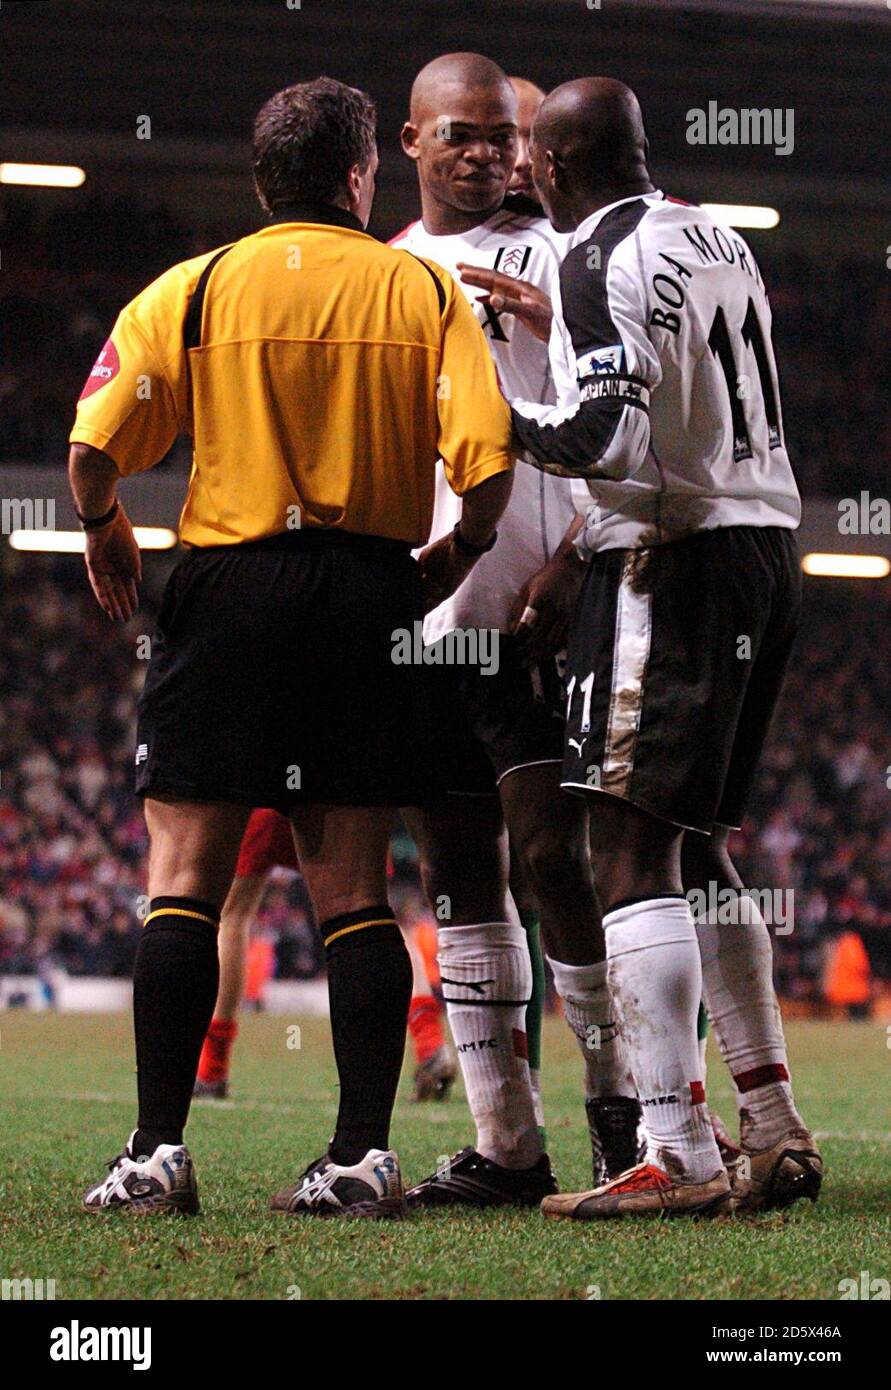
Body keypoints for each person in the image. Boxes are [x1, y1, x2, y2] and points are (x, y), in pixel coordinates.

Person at [69, 76, 513, 1219]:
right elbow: (490, 466)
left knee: (184, 883)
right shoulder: (419, 288)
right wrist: (454, 558)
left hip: (228, 589)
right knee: (355, 889)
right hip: (368, 591)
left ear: (263, 181)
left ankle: (157, 1154)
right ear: (363, 175)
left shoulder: (197, 286)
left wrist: (108, 531)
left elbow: (93, 448)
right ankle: (362, 1154)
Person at [507, 77, 821, 1219]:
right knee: (697, 848)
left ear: (551, 167)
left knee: (627, 855)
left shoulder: (589, 259)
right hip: (764, 549)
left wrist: (480, 410)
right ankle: (772, 1120)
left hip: (671, 560)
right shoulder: (717, 233)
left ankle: (675, 1146)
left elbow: (608, 434)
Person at [391, 54, 642, 1209]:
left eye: (505, 137)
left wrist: (573, 551)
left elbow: (616, 424)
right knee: (453, 874)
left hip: (541, 610)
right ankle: (506, 1140)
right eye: (465, 135)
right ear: (413, 144)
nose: (490, 154)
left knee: (553, 858)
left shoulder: (559, 258)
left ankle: (619, 1119)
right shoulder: (384, 273)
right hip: (429, 618)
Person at [193, 808, 456, 1101]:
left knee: (234, 914)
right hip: (343, 786)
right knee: (375, 912)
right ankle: (430, 1042)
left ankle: (213, 1070)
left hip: (270, 789)